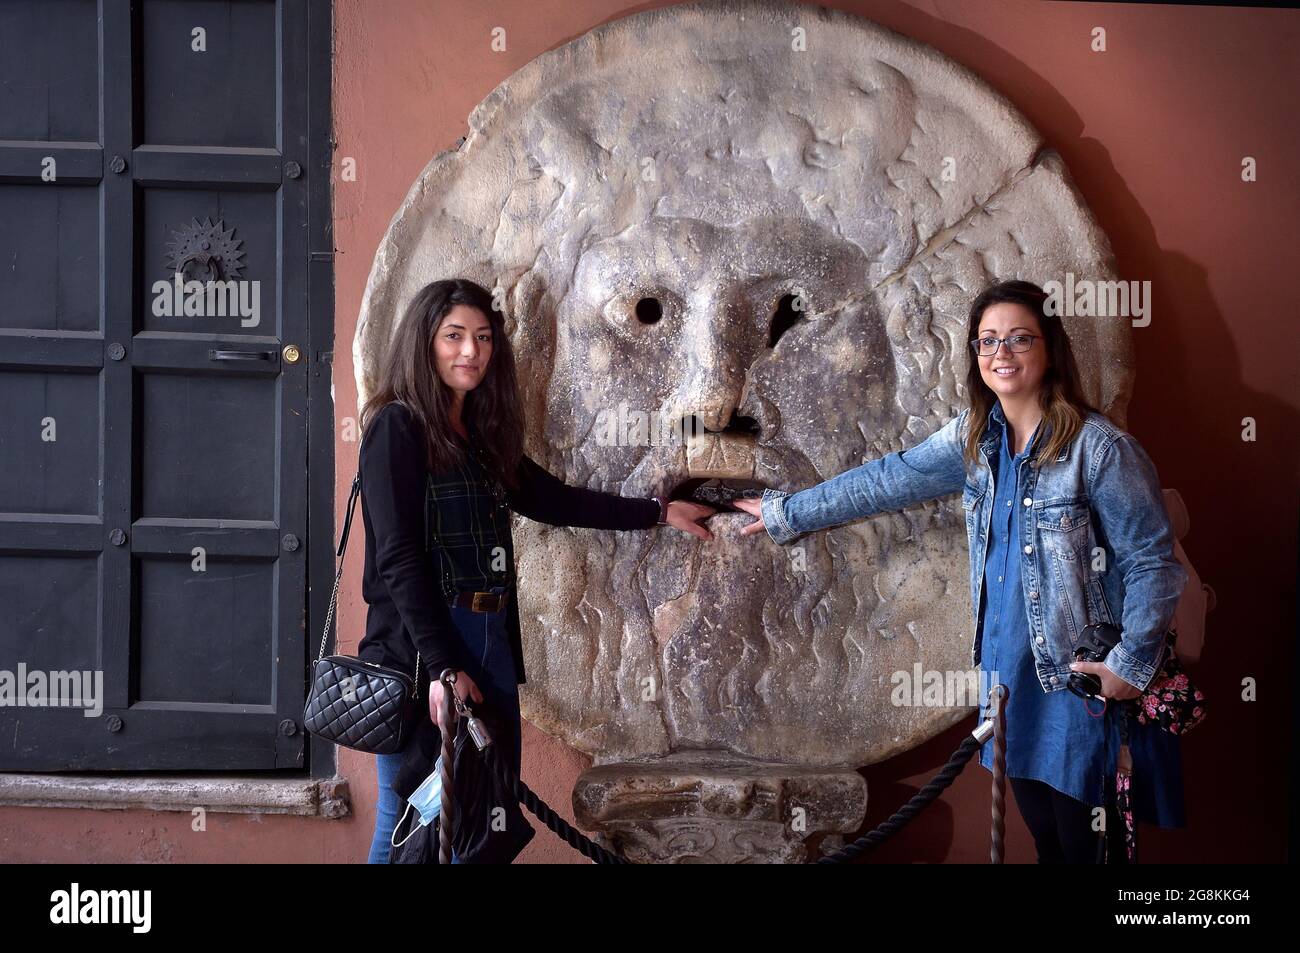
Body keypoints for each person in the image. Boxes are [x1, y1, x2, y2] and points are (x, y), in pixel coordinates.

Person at [734, 279, 1187, 863]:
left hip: (1078, 686)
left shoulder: (1099, 451)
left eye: (1019, 338)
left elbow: (1152, 560)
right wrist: (784, 513)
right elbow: (887, 480)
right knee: (1048, 844)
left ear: (1049, 347)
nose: (1002, 352)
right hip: (1008, 683)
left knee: (1087, 852)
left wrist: (1129, 666)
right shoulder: (974, 442)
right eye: (987, 341)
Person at [357, 278, 714, 863]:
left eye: (482, 337)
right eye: (454, 337)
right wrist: (444, 667)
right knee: (408, 821)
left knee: (481, 820)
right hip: (423, 650)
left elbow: (556, 501)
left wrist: (658, 512)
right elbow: (398, 559)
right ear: (425, 342)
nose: (470, 351)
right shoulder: (396, 428)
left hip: (491, 640)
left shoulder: (477, 436)